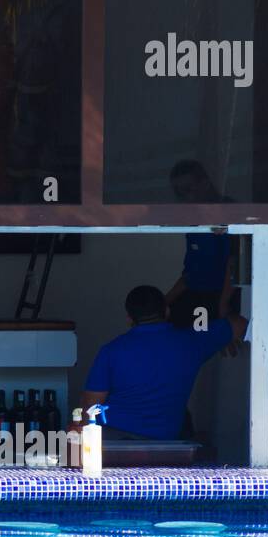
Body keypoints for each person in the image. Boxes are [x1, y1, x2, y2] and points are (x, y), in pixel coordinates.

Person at [82, 284, 247, 441]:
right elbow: (241, 323)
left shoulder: (111, 350)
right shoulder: (193, 342)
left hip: (114, 441)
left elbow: (91, 406)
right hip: (165, 444)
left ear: (129, 318)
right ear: (166, 311)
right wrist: (222, 307)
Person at [163, 159, 239, 335]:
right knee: (157, 324)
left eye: (188, 189)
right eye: (178, 193)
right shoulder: (194, 220)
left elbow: (235, 262)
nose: (184, 197)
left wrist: (223, 306)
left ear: (205, 183)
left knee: (203, 338)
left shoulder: (228, 212)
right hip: (197, 295)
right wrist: (163, 302)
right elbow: (192, 272)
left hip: (221, 296)